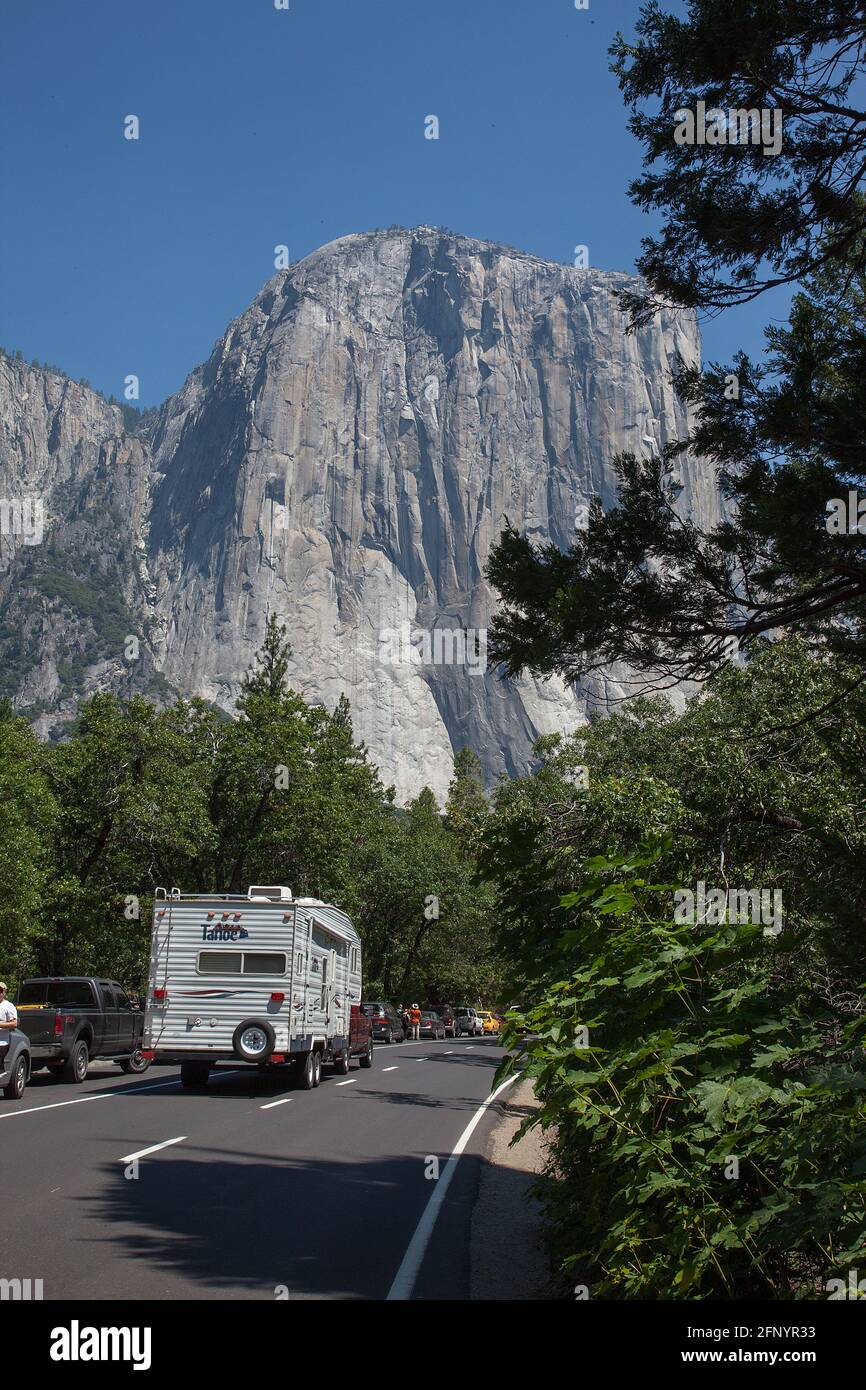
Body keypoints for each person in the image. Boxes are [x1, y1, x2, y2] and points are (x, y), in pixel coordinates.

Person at [0, 984, 18, 1068]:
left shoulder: (8, 1006)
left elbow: (14, 1023)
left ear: (4, 992)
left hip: (1, 1043)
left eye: (0, 991)